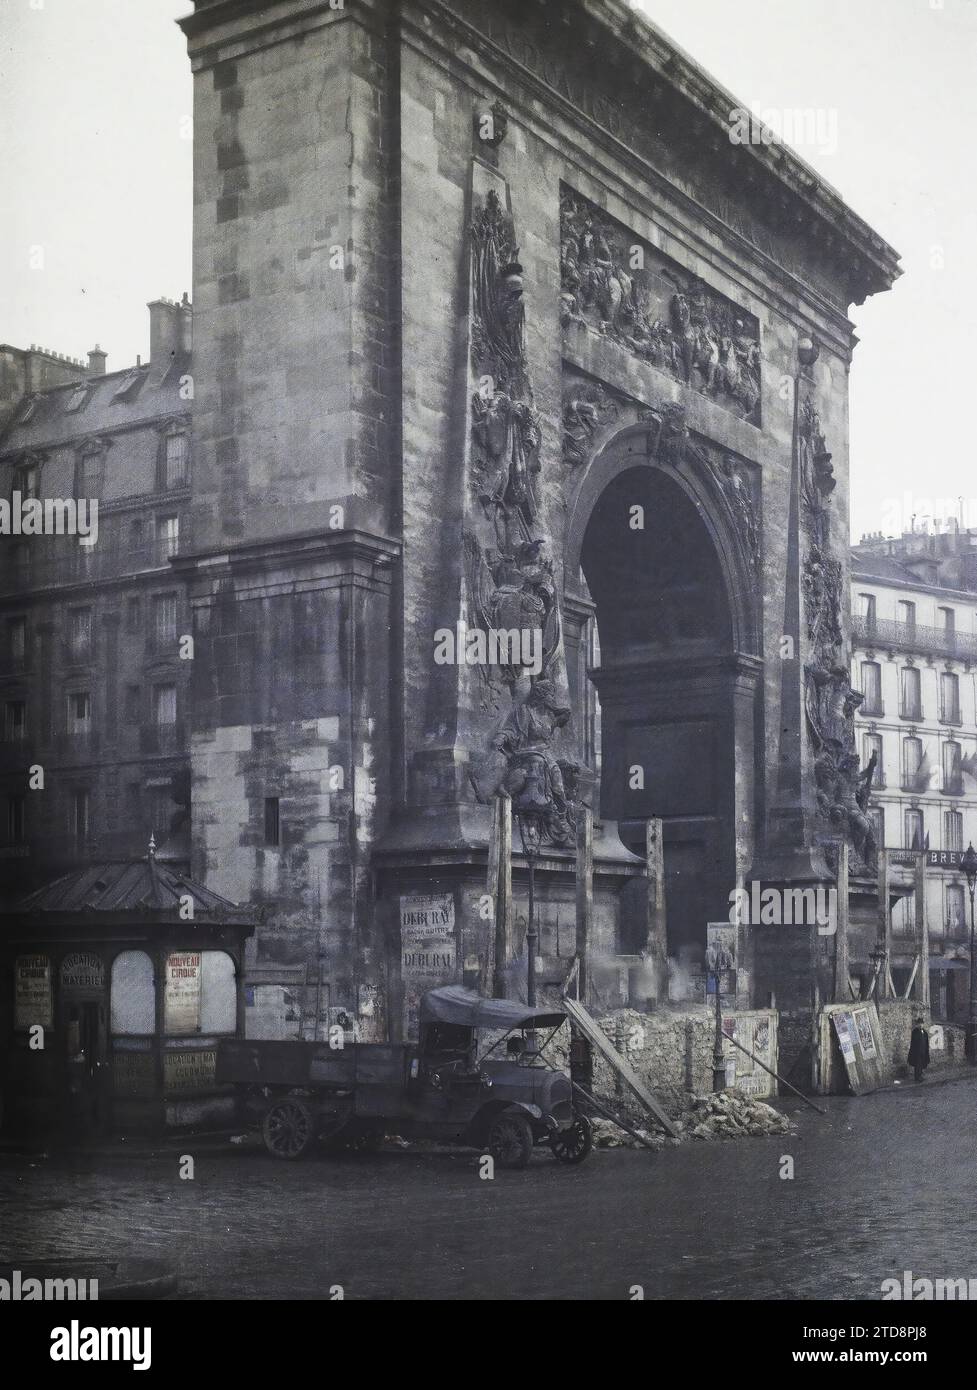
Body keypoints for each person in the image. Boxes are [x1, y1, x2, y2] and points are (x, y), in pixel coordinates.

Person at [907, 1017, 930, 1084]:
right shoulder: (915, 1032)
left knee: (922, 1063)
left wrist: (926, 1050)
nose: (920, 1025)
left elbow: (926, 1042)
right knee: (917, 1064)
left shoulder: (925, 1032)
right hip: (917, 1051)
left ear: (923, 1024)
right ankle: (917, 1077)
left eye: (922, 1024)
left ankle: (920, 1075)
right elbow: (913, 1042)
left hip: (923, 1051)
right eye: (919, 1024)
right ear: (917, 1024)